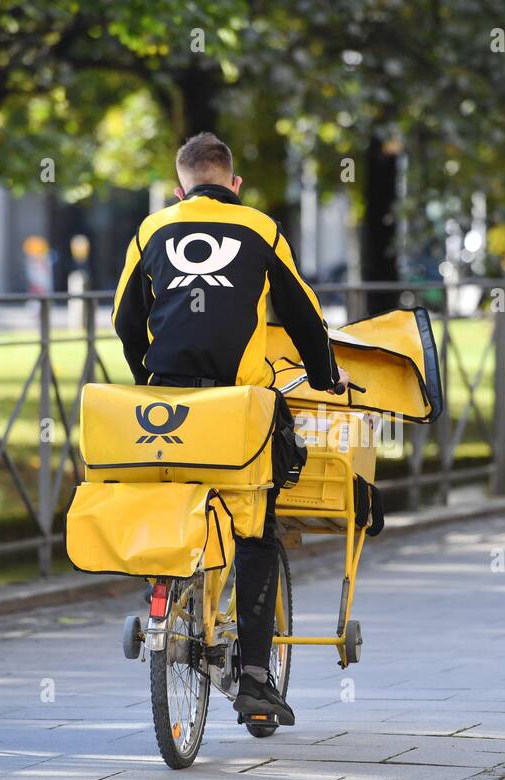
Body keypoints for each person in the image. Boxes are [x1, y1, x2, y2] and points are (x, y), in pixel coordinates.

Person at [111, 132, 348, 726]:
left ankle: (166, 600)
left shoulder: (151, 230)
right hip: (236, 412)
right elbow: (304, 314)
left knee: (173, 497)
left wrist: (149, 375)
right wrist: (326, 375)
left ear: (179, 186)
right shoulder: (261, 229)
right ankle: (255, 680)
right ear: (234, 184)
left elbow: (123, 318)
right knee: (256, 530)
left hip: (163, 410)